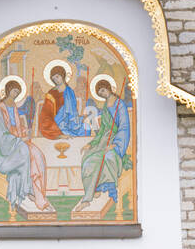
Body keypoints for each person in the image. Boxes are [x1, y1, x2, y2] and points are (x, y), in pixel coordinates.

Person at [0, 77, 53, 214]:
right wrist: (19, 139)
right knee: (25, 151)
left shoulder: (14, 108)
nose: (15, 94)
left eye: (17, 93)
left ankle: (38, 193)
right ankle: (28, 190)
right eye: (13, 91)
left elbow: (16, 129)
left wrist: (24, 132)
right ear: (7, 91)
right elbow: (1, 138)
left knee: (37, 154)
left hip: (16, 145)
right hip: (4, 153)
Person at [76, 76, 131, 213]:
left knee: (107, 157)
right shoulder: (106, 107)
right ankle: (94, 189)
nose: (102, 94)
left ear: (109, 89)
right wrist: (92, 143)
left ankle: (90, 196)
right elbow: (102, 130)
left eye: (103, 90)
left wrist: (116, 145)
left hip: (117, 140)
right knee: (88, 158)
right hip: (103, 140)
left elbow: (124, 127)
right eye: (100, 93)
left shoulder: (120, 104)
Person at [39, 63, 89, 138]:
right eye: (54, 79)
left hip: (71, 122)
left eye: (57, 77)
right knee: (65, 132)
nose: (56, 80)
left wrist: (80, 118)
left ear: (62, 76)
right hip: (58, 122)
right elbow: (46, 113)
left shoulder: (70, 91)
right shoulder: (51, 94)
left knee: (86, 128)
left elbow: (73, 111)